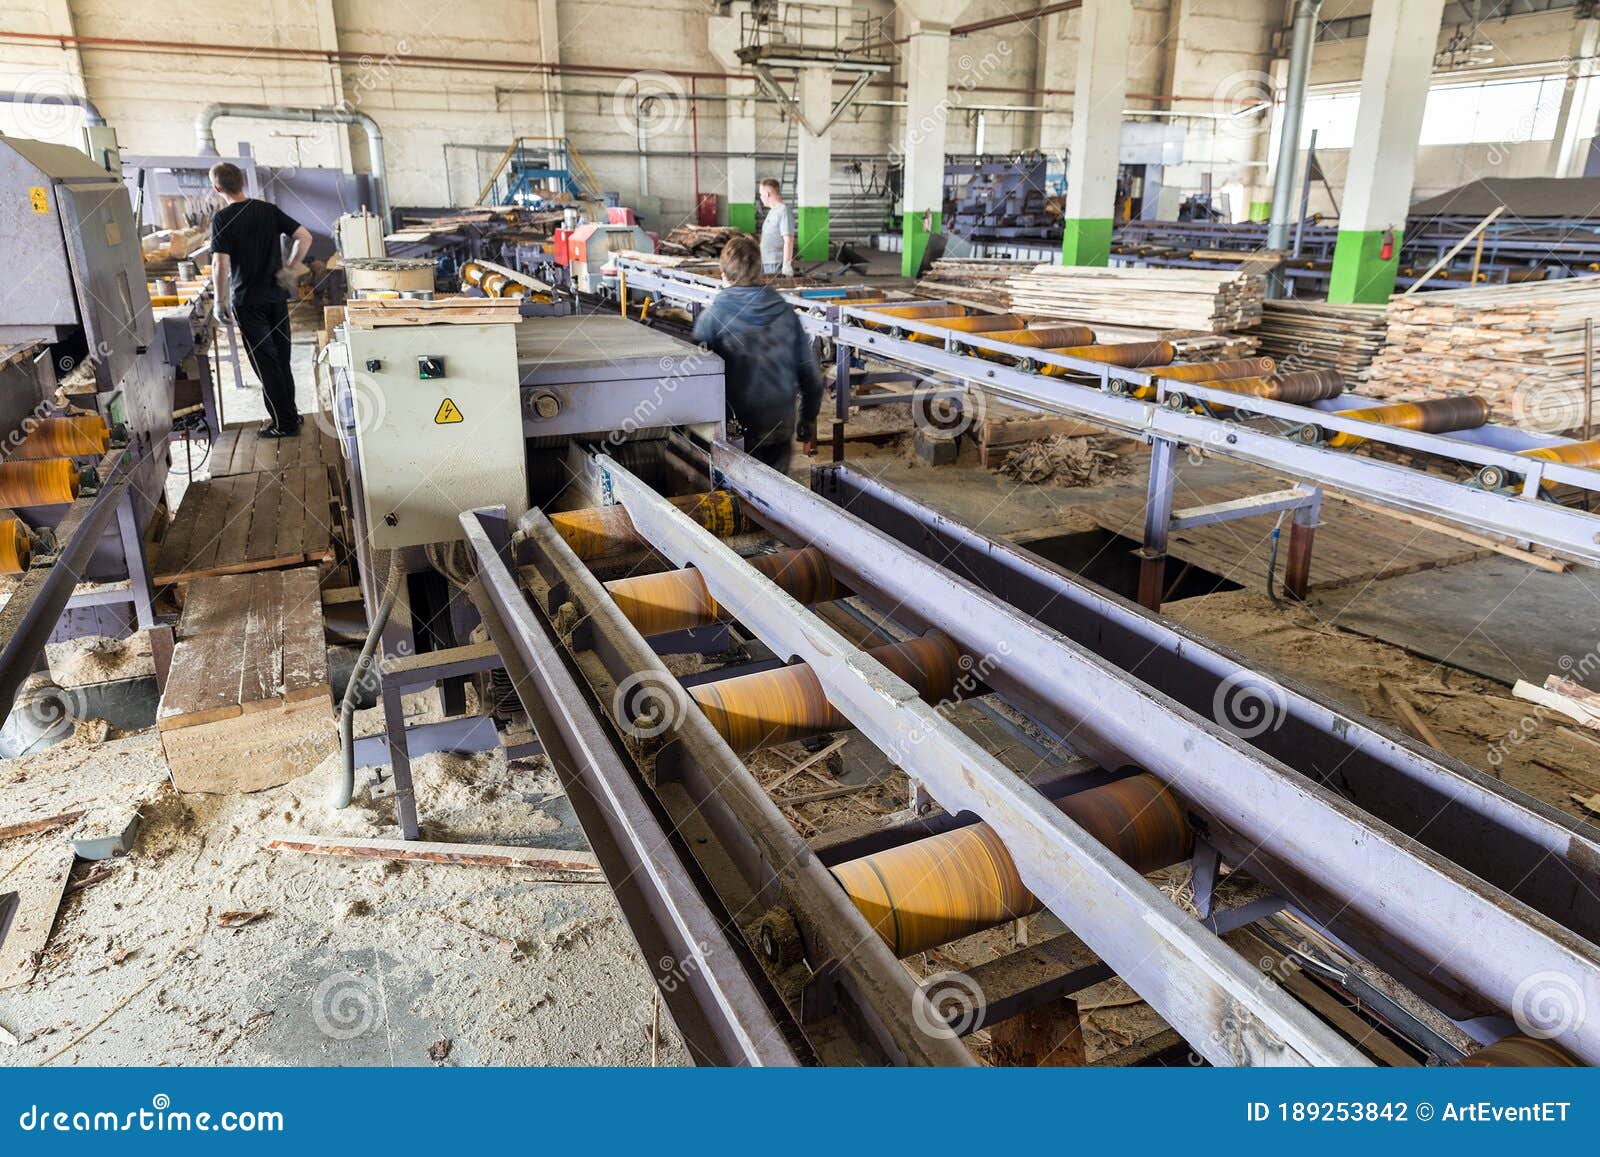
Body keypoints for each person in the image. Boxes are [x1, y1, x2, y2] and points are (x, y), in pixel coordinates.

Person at [691, 235, 821, 474]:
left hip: (733, 430)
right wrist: (808, 418)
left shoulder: (712, 319)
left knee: (734, 499)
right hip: (778, 425)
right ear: (759, 270)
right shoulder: (786, 314)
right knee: (775, 495)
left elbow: (693, 377)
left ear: (723, 274)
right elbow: (810, 376)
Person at [208, 161, 313, 436]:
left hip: (248, 301)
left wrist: (219, 302)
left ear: (217, 188)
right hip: (275, 296)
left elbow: (220, 264)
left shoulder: (222, 219)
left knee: (267, 364)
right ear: (242, 182)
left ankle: (285, 424)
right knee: (281, 360)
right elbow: (304, 237)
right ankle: (290, 416)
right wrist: (290, 268)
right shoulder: (268, 210)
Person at [758, 177, 795, 277]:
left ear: (767, 194)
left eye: (761, 194)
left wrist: (786, 265)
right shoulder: (772, 211)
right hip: (766, 262)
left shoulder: (783, 211)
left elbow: (789, 240)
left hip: (777, 263)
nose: (761, 197)